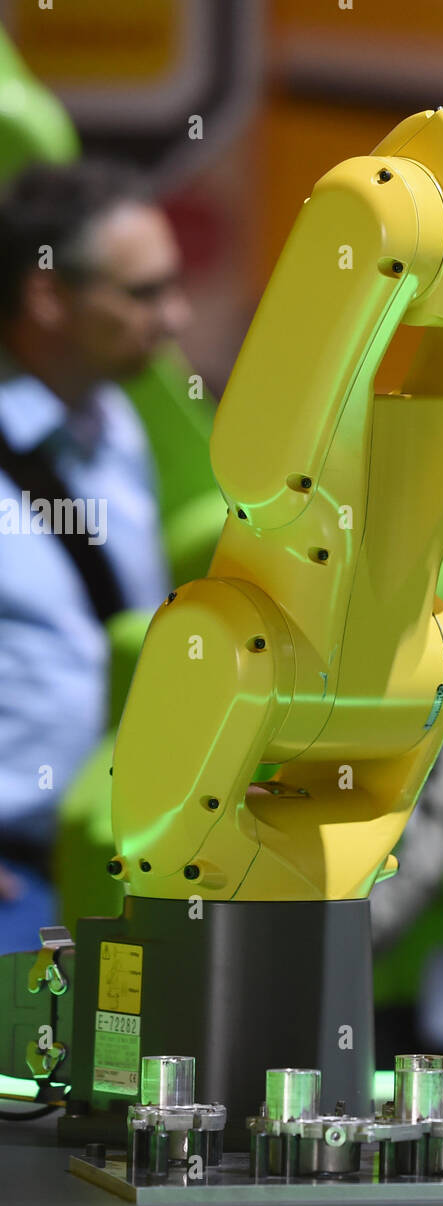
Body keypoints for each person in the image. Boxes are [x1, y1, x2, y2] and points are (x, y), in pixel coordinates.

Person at [0, 160, 190, 953]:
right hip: (17, 884)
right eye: (144, 293)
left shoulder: (118, 423)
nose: (175, 316)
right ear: (48, 295)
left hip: (114, 866)